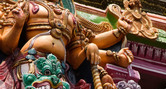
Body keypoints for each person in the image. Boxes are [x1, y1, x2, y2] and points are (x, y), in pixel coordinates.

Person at [0, 0, 133, 73]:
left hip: (60, 73)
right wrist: (18, 25)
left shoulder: (70, 18)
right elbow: (7, 47)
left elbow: (76, 58)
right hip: (28, 65)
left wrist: (121, 31)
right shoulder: (26, 6)